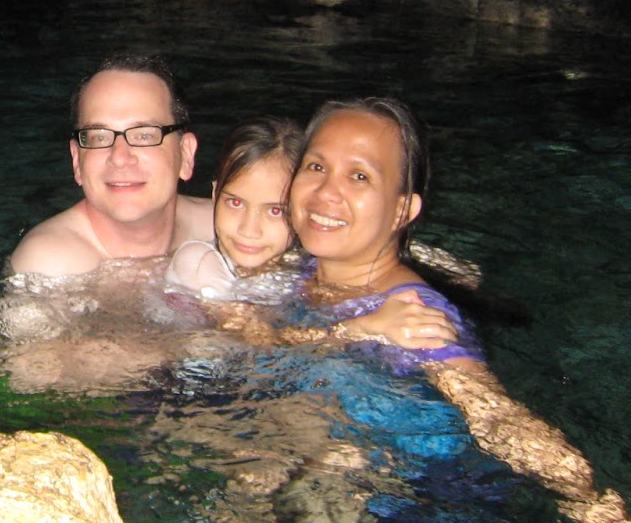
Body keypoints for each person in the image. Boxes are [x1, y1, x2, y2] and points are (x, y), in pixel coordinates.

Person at [205, 97, 631, 523]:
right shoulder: (310, 275)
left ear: (402, 210)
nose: (327, 192)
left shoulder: (416, 318)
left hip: (428, 510)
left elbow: (500, 420)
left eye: (360, 177)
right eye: (317, 167)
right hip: (358, 483)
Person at [164, 115, 456, 349]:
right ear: (215, 194)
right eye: (235, 202)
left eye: (275, 210)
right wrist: (365, 327)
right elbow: (259, 342)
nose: (249, 230)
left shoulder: (294, 261)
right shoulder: (198, 263)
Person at [8, 53, 214, 277]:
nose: (119, 157)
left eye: (144, 135)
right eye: (99, 136)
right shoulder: (48, 267)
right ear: (77, 160)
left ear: (185, 155)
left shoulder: (228, 231)